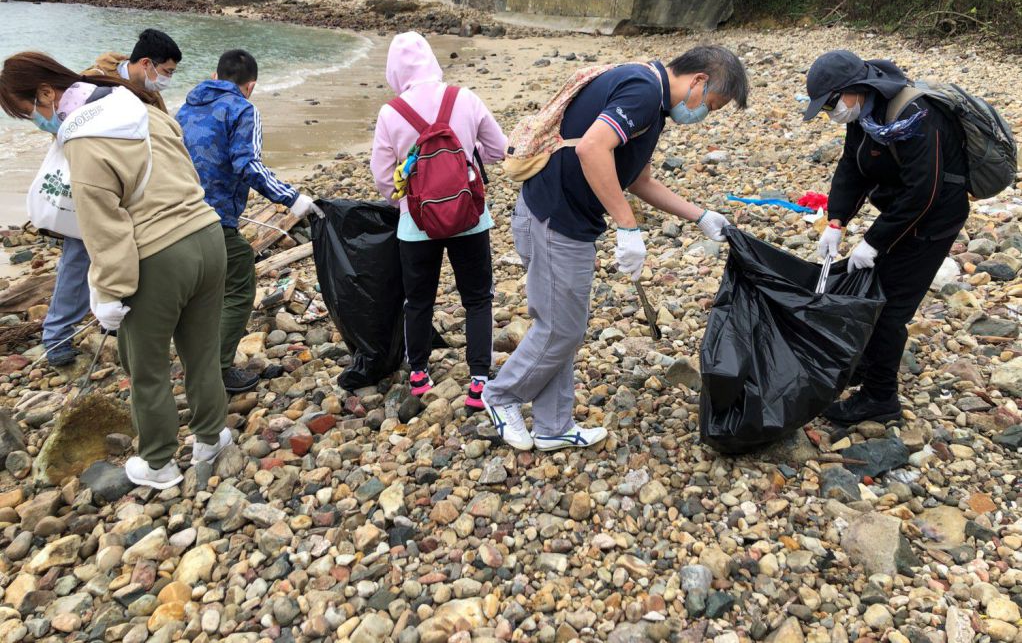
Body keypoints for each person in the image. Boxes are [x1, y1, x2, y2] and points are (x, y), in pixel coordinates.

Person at [481, 46, 749, 451]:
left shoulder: (653, 102)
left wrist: (700, 216)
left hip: (559, 216)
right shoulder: (643, 91)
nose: (704, 115)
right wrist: (627, 226)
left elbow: (639, 180)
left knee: (562, 323)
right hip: (556, 219)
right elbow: (592, 149)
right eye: (711, 105)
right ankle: (502, 396)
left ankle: (553, 425)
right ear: (698, 82)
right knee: (561, 328)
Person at [0, 52, 232, 489]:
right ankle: (212, 437)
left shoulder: (85, 139)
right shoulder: (139, 107)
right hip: (208, 235)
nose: (33, 120)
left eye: (28, 111)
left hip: (162, 256)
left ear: (47, 93)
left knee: (145, 367)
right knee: (201, 351)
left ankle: (159, 462)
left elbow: (107, 230)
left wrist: (109, 293)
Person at [807, 50, 970, 425]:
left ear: (855, 88)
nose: (832, 111)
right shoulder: (866, 114)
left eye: (832, 102)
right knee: (871, 285)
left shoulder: (915, 113)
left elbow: (923, 191)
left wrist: (875, 242)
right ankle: (868, 362)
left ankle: (881, 399)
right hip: (903, 213)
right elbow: (853, 167)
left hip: (934, 219)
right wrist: (836, 220)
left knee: (889, 306)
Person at [370, 32, 507, 411]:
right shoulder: (464, 97)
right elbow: (498, 150)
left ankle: (419, 374)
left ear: (394, 70)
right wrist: (466, 153)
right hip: (469, 218)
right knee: (478, 299)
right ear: (432, 59)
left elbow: (384, 180)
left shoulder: (390, 112)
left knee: (418, 300)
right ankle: (479, 381)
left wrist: (412, 189)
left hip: (416, 224)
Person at [176, 49, 323, 394]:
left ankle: (194, 358)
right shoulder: (244, 110)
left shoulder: (184, 108)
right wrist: (294, 199)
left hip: (175, 212)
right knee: (240, 282)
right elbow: (248, 165)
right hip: (213, 218)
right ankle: (217, 370)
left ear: (215, 75)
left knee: (198, 292)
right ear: (251, 85)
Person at [41, 28, 183, 368]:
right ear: (146, 63)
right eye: (166, 72)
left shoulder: (146, 92)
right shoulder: (91, 84)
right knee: (79, 256)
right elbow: (61, 131)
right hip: (95, 183)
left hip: (135, 184)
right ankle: (56, 337)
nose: (166, 80)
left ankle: (119, 320)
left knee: (133, 250)